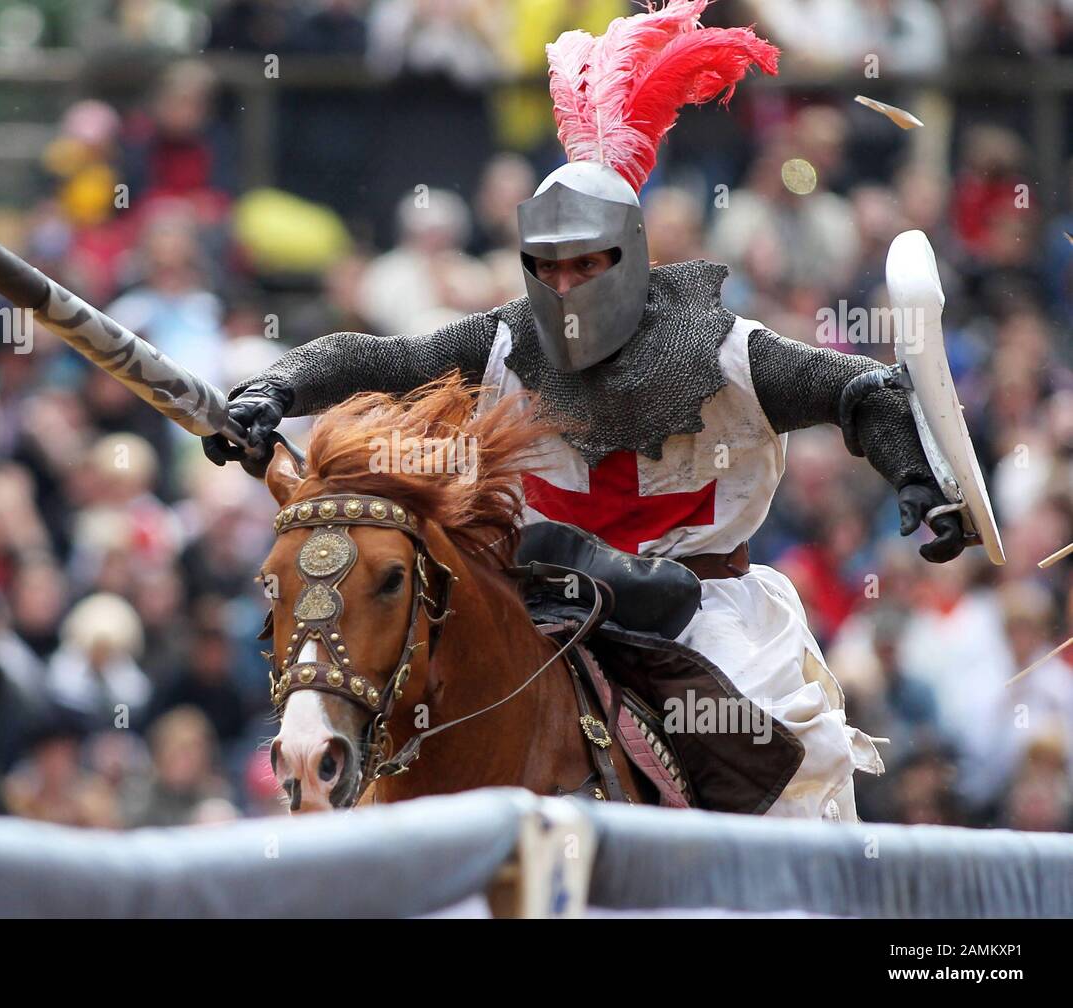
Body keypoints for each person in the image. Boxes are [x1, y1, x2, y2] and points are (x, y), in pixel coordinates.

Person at [203, 2, 966, 822]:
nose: (563, 288)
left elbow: (862, 392)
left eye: (586, 265)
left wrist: (918, 474)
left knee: (789, 758)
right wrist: (273, 389)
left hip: (694, 615)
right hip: (545, 598)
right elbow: (376, 360)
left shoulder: (725, 351)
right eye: (547, 268)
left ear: (631, 257)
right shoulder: (502, 340)